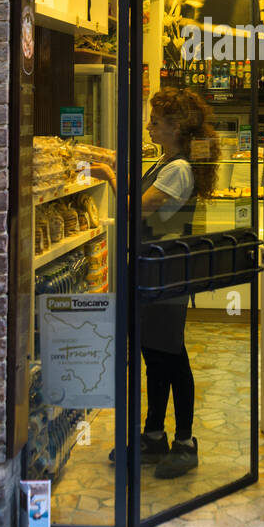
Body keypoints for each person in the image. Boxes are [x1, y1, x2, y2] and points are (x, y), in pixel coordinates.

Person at [93, 88, 219, 479]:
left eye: (156, 121)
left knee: (171, 356)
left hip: (167, 272)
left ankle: (184, 442)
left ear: (176, 126)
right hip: (155, 269)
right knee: (155, 354)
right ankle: (153, 435)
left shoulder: (179, 169)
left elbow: (136, 207)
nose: (149, 125)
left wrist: (110, 175)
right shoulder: (168, 162)